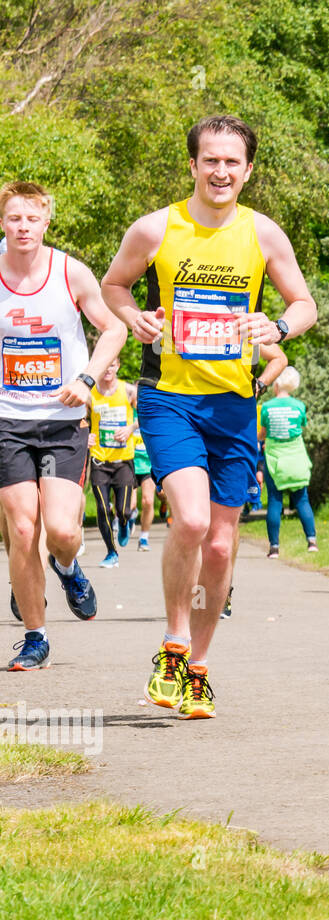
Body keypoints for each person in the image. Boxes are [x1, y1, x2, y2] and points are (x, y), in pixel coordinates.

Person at [101, 114, 313, 717]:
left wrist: (274, 326)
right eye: (210, 160)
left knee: (221, 544)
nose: (220, 171)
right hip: (170, 397)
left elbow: (305, 304)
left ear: (248, 171)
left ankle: (196, 666)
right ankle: (172, 643)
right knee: (190, 522)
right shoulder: (155, 229)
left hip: (233, 405)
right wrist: (134, 319)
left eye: (232, 162)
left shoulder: (263, 234)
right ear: (193, 165)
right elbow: (115, 287)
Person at [0, 180, 128, 670]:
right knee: (22, 525)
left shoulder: (70, 272)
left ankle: (68, 567)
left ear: (46, 221)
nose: (23, 227)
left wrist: (87, 378)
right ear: (3, 222)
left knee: (60, 530)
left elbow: (113, 327)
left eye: (32, 218)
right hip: (8, 420)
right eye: (14, 218)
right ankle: (35, 637)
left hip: (63, 420)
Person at [258, 365, 317, 557]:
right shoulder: (299, 406)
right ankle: (312, 541)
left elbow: (263, 434)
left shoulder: (267, 408)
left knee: (275, 502)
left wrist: (258, 439)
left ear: (275, 385)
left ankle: (274, 547)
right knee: (302, 500)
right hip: (296, 457)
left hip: (275, 459)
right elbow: (301, 427)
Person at [88, 357, 135, 567]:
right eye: (104, 363)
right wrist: (84, 435)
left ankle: (124, 523)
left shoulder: (128, 390)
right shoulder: (90, 393)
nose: (107, 368)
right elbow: (80, 418)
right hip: (99, 460)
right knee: (102, 507)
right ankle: (111, 552)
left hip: (123, 460)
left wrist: (130, 429)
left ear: (118, 366)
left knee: (123, 510)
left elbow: (148, 413)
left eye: (112, 364)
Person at [125, 383, 155, 550]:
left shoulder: (151, 413)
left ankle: (144, 537)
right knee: (131, 505)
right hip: (130, 462)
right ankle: (129, 517)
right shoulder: (127, 412)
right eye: (137, 395)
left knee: (148, 501)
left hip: (148, 464)